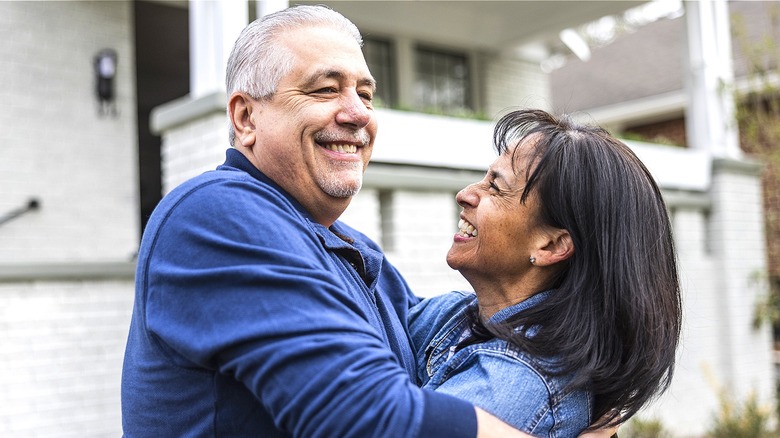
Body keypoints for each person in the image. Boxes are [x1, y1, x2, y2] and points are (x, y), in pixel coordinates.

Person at [121, 6, 616, 437]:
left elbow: (429, 327)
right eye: (324, 89)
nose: (358, 114)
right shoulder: (217, 215)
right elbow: (360, 412)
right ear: (246, 118)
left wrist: (592, 368)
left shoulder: (340, 243)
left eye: (366, 93)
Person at [409, 108, 682, 436]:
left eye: (496, 189)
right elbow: (371, 296)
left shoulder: (515, 382)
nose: (465, 194)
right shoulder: (465, 315)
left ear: (551, 246)